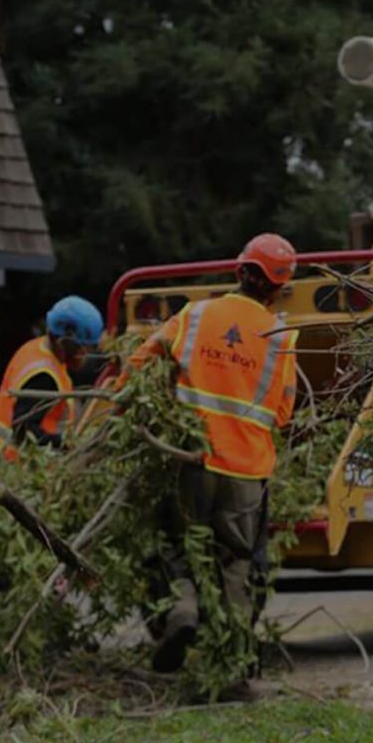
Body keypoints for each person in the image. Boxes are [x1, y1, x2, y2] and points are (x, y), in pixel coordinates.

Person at [127, 233, 299, 694]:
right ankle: (235, 664)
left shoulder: (196, 314)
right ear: (277, 287)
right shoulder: (282, 338)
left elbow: (141, 364)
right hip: (246, 470)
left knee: (180, 546)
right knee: (237, 563)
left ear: (239, 271)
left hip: (192, 458)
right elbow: (282, 414)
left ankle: (183, 611)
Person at [0, 296, 104, 451]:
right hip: (20, 465)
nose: (85, 356)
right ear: (67, 343)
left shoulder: (38, 349)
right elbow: (22, 430)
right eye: (83, 348)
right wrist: (65, 444)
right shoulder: (43, 376)